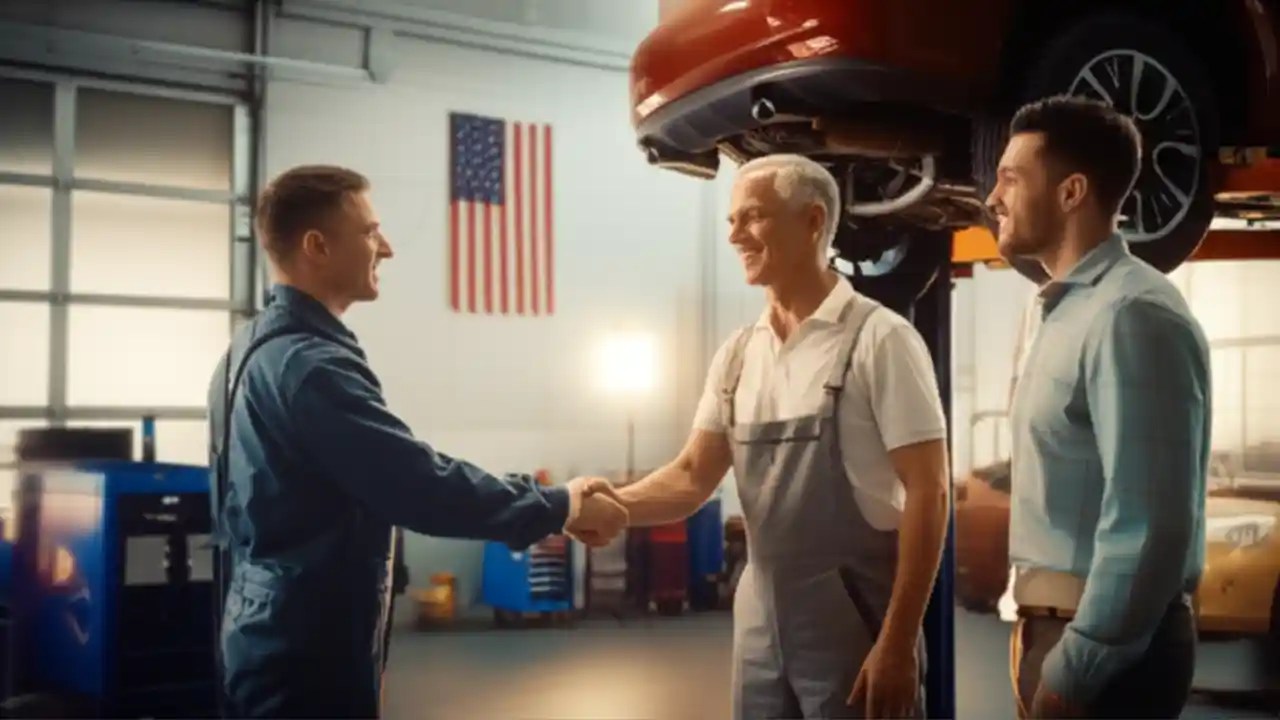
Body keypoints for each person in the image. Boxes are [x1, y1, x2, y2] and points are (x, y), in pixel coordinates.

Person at [206, 165, 628, 718]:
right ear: (317, 246)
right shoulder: (310, 368)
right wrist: (558, 503)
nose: (388, 248)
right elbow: (418, 484)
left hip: (260, 631)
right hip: (307, 649)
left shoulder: (243, 353)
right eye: (369, 231)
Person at [584, 154, 951, 719]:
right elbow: (690, 476)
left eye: (751, 217)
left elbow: (930, 491)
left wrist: (899, 641)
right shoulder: (737, 354)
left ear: (811, 222)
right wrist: (614, 504)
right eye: (731, 219)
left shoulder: (881, 340)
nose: (733, 235)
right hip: (760, 618)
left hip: (854, 617)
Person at [985, 96, 1211, 718]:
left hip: (1105, 651)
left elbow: (1151, 523)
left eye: (1010, 178)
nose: (992, 198)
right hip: (1056, 628)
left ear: (1071, 192)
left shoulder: (1130, 313)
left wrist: (1076, 666)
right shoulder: (1065, 310)